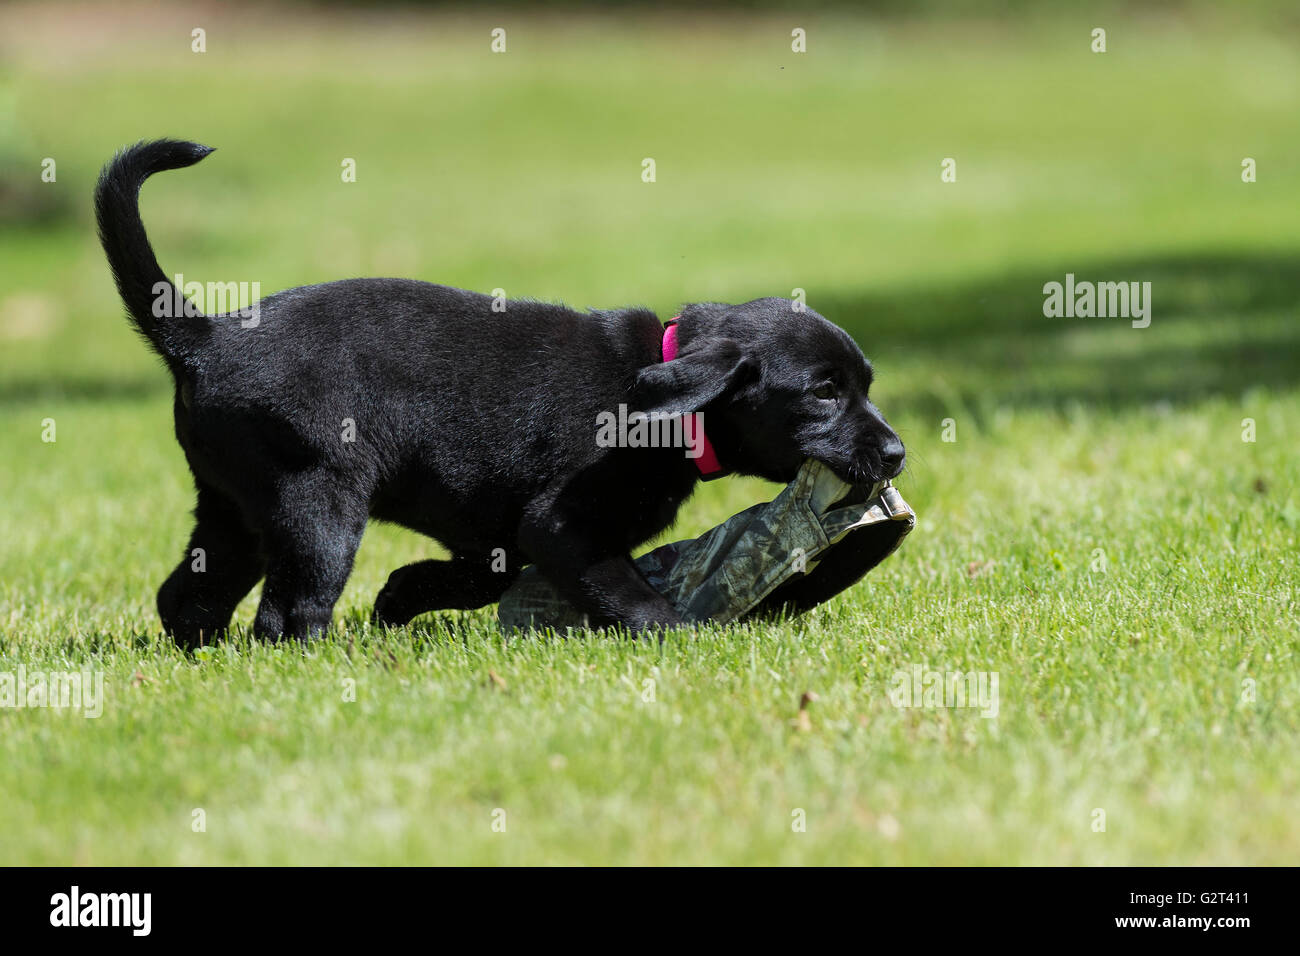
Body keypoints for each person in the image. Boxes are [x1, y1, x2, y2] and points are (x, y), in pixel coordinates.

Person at [498, 459, 915, 632]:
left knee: (530, 602)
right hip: (534, 599)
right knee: (529, 603)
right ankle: (814, 522)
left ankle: (815, 521)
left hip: (534, 595)